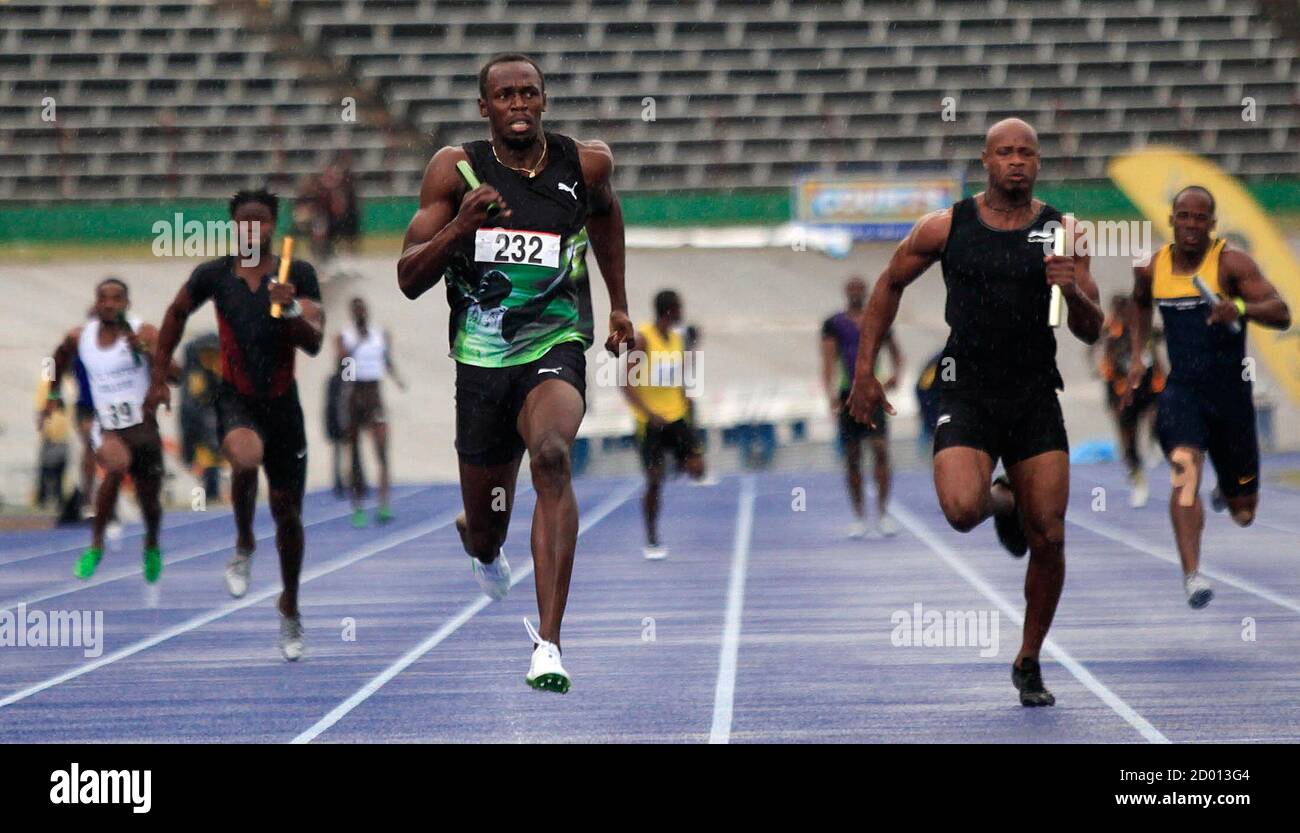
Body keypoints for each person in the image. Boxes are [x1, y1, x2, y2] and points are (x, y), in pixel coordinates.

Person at [397, 52, 634, 693]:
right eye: (505, 95)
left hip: (554, 344)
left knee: (553, 455)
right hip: (479, 363)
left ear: (545, 99)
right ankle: (480, 541)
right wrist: (461, 226)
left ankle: (549, 645)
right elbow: (409, 277)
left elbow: (607, 215)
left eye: (529, 92)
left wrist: (618, 305)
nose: (519, 104)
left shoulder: (584, 164)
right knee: (487, 526)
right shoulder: (455, 169)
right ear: (485, 107)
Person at [847, 118, 1103, 707]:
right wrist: (863, 371)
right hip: (966, 388)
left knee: (1051, 535)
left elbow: (1091, 331)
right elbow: (889, 283)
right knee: (962, 510)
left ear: (1038, 163)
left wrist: (1077, 291)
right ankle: (1003, 498)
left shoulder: (1063, 231)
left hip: (1035, 391)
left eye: (1027, 154)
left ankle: (1029, 658)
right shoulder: (946, 226)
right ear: (986, 161)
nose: (1017, 162)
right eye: (1005, 153)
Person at [146, 188, 325, 661]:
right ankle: (244, 540)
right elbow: (176, 312)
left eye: (262, 221)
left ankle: (290, 606)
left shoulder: (298, 273)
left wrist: (288, 309)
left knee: (288, 513)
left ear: (273, 225)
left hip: (284, 407)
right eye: (244, 221)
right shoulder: (216, 274)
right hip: (237, 399)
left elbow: (314, 342)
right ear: (233, 226)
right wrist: (161, 372)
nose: (253, 229)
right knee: (245, 459)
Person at [1126, 186, 1291, 608]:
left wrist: (1239, 306)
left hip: (1231, 397)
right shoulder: (1151, 268)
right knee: (1184, 470)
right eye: (1184, 216)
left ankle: (1226, 486)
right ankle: (1193, 575)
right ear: (1172, 220)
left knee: (1244, 513)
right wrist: (1139, 357)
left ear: (1212, 225)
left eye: (1200, 218)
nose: (1191, 225)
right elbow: (1140, 306)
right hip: (1182, 394)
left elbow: (1281, 311)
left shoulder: (1232, 264)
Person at [45, 278, 170, 583]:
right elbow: (55, 359)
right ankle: (96, 546)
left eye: (117, 298)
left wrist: (149, 353)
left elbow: (175, 372)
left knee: (150, 502)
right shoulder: (80, 337)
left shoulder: (145, 332)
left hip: (143, 429)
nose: (110, 304)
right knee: (115, 466)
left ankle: (151, 543)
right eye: (104, 298)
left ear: (127, 303)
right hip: (108, 427)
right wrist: (52, 392)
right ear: (96, 303)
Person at [621, 290, 708, 560]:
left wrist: (685, 396)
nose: (684, 312)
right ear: (670, 310)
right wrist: (647, 413)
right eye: (680, 308)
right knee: (654, 482)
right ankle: (651, 538)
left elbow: (678, 373)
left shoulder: (678, 338)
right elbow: (626, 383)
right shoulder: (642, 338)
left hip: (677, 416)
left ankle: (676, 462)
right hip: (651, 422)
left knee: (698, 469)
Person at [821, 276, 902, 538]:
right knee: (853, 455)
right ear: (846, 292)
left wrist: (896, 374)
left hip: (872, 394)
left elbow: (895, 352)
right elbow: (828, 360)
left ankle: (882, 513)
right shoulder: (834, 324)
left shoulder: (878, 318)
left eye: (860, 288)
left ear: (865, 291)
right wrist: (830, 393)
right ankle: (858, 515)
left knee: (880, 450)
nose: (856, 292)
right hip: (848, 395)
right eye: (852, 288)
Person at [1091, 294, 1164, 507]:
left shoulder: (1143, 328)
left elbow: (1161, 335)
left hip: (1147, 386)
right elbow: (1092, 345)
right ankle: (1137, 479)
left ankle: (1154, 441)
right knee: (1127, 442)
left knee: (1156, 415)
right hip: (1121, 392)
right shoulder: (1109, 330)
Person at [338, 297, 406, 526]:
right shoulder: (345, 337)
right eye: (356, 310)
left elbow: (387, 361)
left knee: (382, 450)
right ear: (352, 313)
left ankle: (384, 504)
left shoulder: (379, 335)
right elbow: (343, 372)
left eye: (363, 310)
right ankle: (358, 507)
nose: (361, 313)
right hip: (355, 395)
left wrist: (398, 379)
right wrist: (353, 348)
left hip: (374, 395)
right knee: (355, 454)